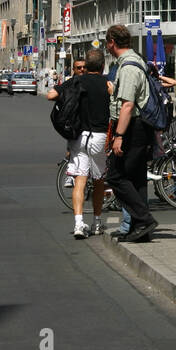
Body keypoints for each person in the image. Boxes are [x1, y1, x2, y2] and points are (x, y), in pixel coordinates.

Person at [104, 24, 159, 243]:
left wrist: (118, 136)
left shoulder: (128, 67)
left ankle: (144, 219)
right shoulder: (137, 60)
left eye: (107, 44)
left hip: (132, 127)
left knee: (115, 176)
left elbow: (127, 105)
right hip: (139, 126)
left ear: (111, 42)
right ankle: (140, 228)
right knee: (136, 178)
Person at [58, 52, 111, 238]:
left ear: (86, 66)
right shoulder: (107, 84)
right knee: (99, 181)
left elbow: (51, 94)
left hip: (80, 136)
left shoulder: (77, 82)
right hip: (100, 136)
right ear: (103, 66)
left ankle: (79, 224)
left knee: (79, 181)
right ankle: (97, 223)